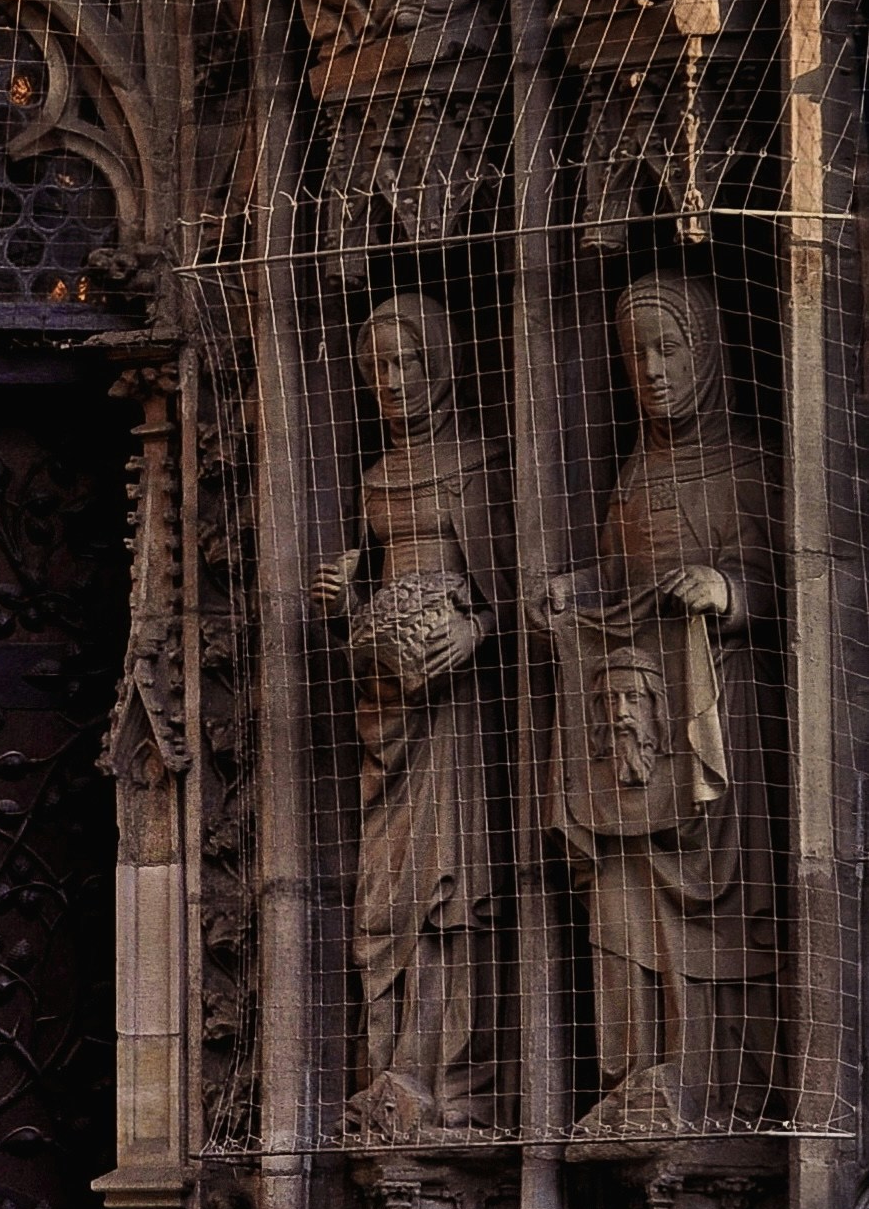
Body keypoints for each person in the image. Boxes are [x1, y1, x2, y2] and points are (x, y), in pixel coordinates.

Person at [540, 274, 776, 1134]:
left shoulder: (751, 466)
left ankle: (722, 1083)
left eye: (668, 348)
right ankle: (643, 1070)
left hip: (719, 727)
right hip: (635, 740)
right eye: (635, 354)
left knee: (728, 908)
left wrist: (728, 588)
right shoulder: (635, 476)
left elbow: (804, 583)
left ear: (705, 353)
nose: (651, 370)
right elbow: (620, 580)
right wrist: (575, 591)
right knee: (624, 896)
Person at [314, 297, 508, 1136]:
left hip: (456, 715)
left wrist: (475, 630)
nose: (393, 382)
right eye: (378, 370)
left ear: (444, 364)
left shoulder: (480, 463)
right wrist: (344, 605)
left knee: (448, 891)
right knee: (385, 892)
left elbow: (514, 591)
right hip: (387, 707)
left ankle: (453, 1079)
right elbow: (375, 596)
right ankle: (393, 1066)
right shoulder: (374, 481)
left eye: (408, 363)